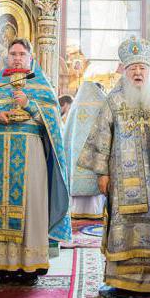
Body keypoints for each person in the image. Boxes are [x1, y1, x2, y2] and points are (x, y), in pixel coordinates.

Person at [78, 37, 150, 297]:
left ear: (148, 71)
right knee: (125, 227)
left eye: (142, 67)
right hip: (123, 182)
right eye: (133, 68)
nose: (138, 73)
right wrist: (102, 172)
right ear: (125, 70)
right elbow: (101, 137)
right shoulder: (113, 101)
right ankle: (123, 281)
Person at [0, 38, 70, 284]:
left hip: (31, 154)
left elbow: (54, 124)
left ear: (30, 58)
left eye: (22, 53)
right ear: (6, 57)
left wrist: (29, 105)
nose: (17, 57)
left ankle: (28, 266)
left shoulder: (41, 86)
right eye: (13, 53)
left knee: (30, 207)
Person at [64, 82, 106, 219]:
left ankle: (76, 210)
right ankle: (95, 211)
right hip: (95, 153)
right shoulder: (102, 105)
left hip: (76, 157)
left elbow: (67, 134)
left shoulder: (75, 106)